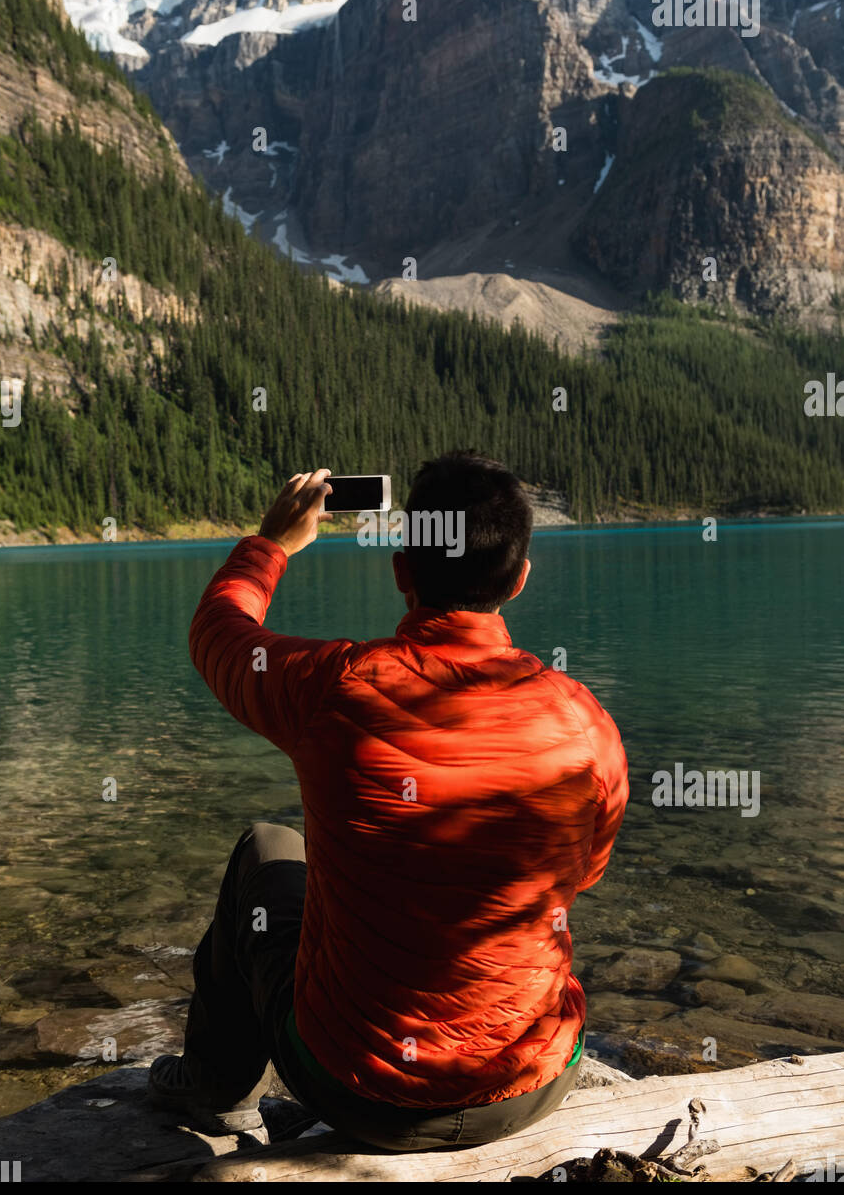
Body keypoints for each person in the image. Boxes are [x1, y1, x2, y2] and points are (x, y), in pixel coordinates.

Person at [149, 452, 629, 1151]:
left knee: (266, 850)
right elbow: (579, 876)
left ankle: (216, 1093)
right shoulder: (585, 725)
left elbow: (220, 634)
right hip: (532, 1088)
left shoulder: (332, 689)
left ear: (402, 570)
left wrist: (271, 545)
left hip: (355, 1090)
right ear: (519, 579)